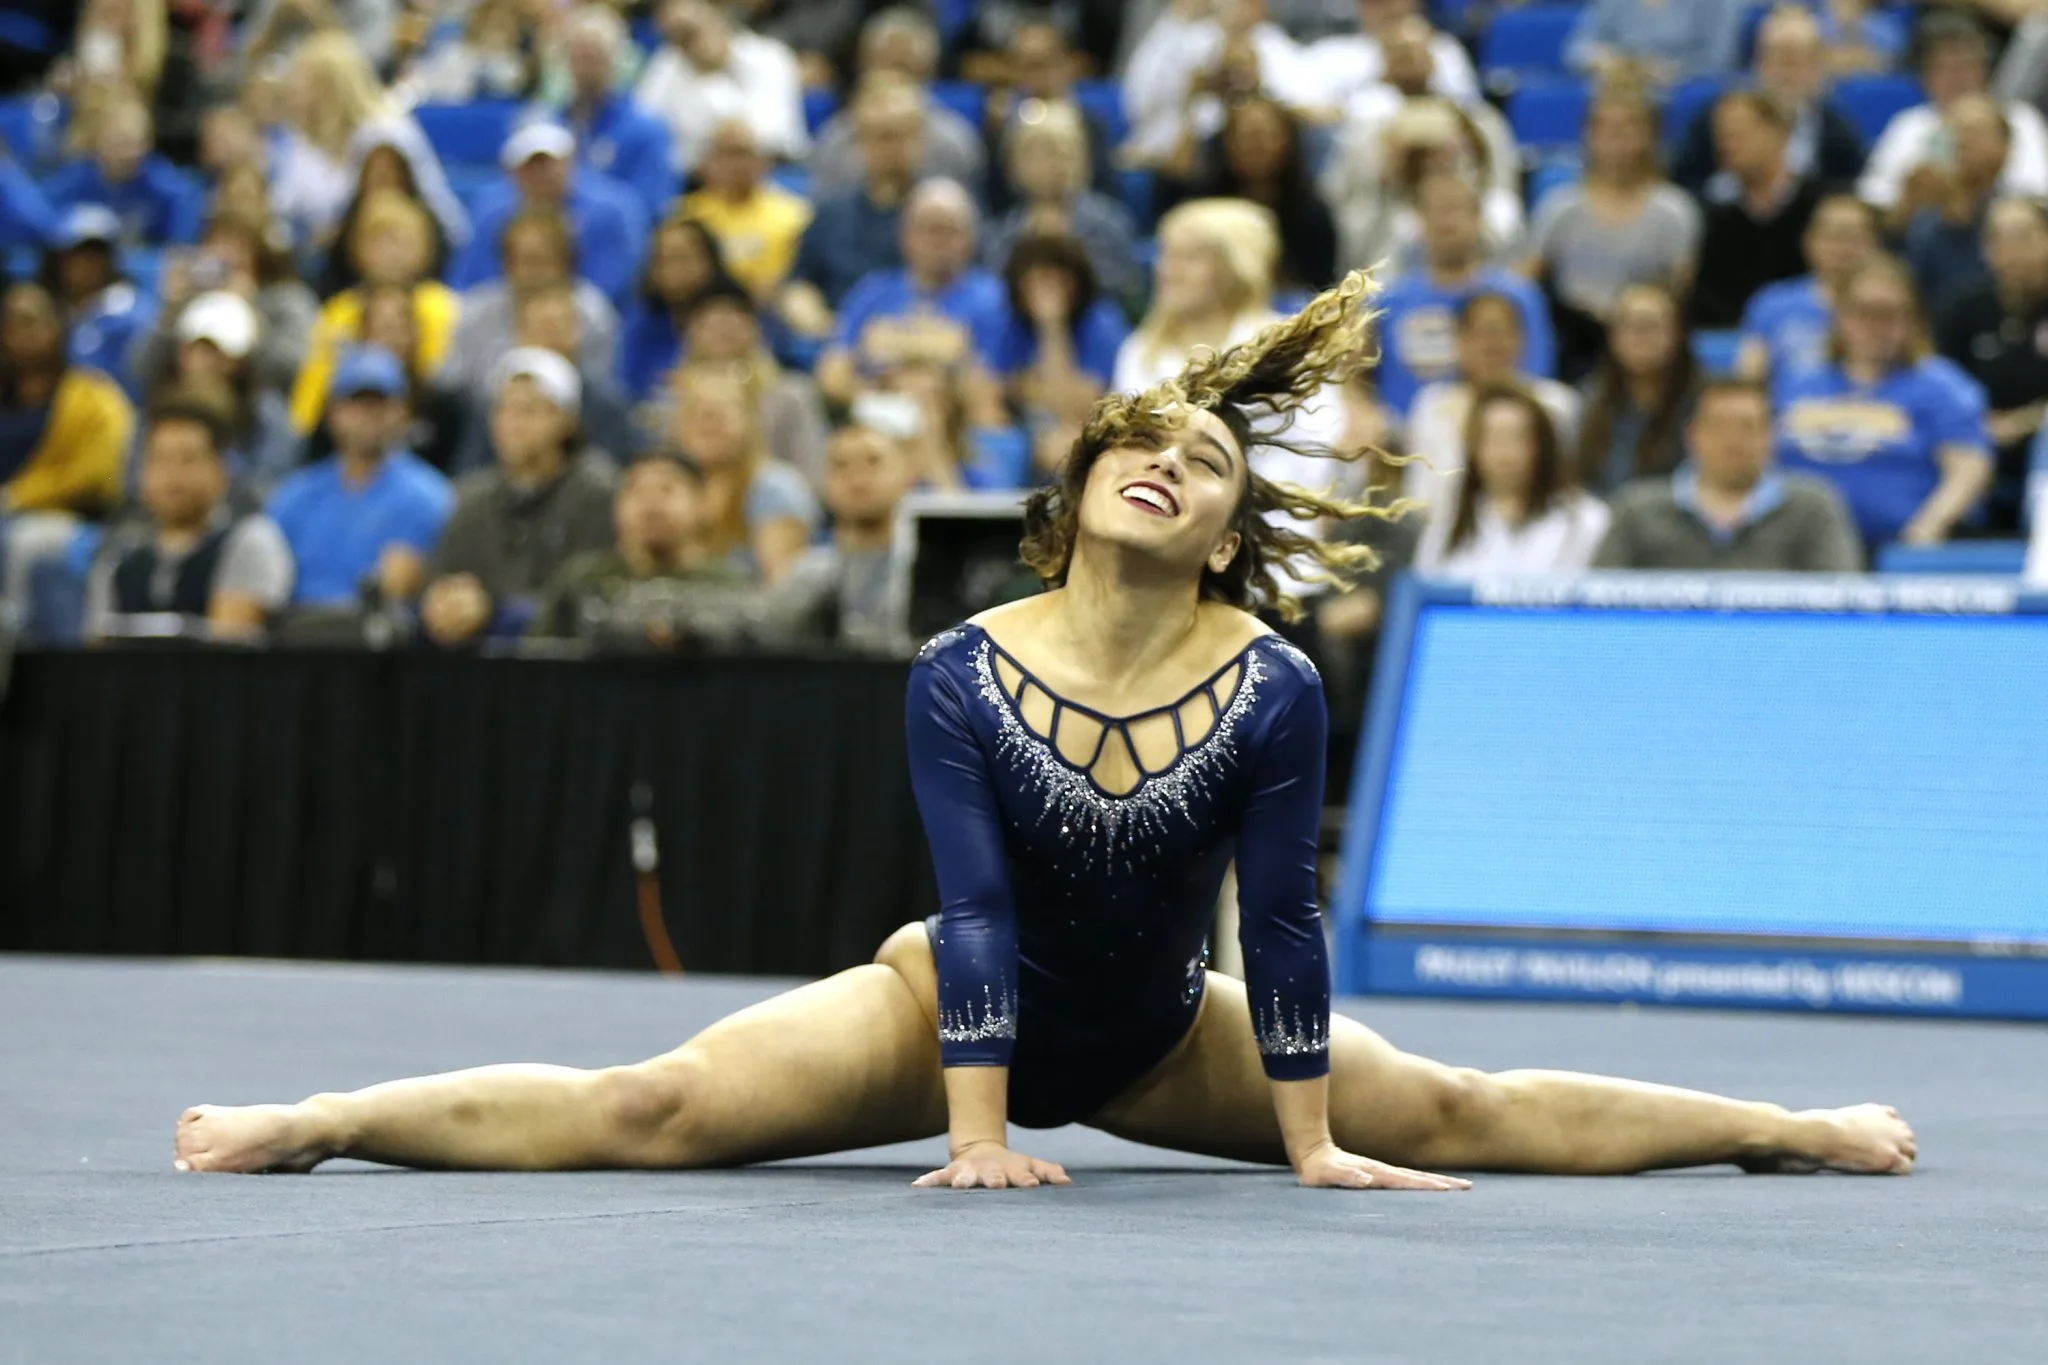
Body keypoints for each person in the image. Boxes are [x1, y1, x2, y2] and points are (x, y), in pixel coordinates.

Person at [173, 269, 1919, 1190]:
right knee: (651, 1104)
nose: (1168, 460)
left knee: (1447, 1107)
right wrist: (974, 1126)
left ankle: (1789, 1125)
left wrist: (1312, 1142)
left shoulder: (1272, 680)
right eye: (1137, 442)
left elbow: (1284, 917)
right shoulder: (962, 664)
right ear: (1078, 488)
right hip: (944, 1001)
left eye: (1209, 459)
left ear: (1228, 533)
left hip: (1166, 1030)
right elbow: (981, 902)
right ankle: (319, 1118)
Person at [1774, 257, 1994, 548]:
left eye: (1888, 314)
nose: (1875, 325)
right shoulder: (1798, 382)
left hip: (1897, 547)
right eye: (1862, 312)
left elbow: (1969, 469)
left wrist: (1927, 529)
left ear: (1911, 320)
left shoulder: (1942, 386)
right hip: (1796, 551)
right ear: (1840, 318)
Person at [419, 349, 617, 647]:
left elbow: (590, 603)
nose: (514, 423)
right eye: (504, 409)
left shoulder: (598, 493)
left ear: (567, 421)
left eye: (530, 410)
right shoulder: (470, 497)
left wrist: (493, 614)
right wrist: (443, 606)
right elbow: (445, 580)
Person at [1522, 83, 1701, 379]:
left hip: (1648, 341)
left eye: (1628, 127)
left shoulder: (1675, 212)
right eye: (1604, 126)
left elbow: (1680, 290)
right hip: (1575, 344)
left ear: (1650, 135)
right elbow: (1526, 282)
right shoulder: (1560, 207)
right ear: (1588, 134)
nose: (1616, 137)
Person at [1595, 376, 1863, 570]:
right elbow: (1598, 603)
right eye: (1719, 426)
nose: (1733, 439)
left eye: (1748, 426)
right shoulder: (1636, 508)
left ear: (1771, 436)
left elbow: (1841, 600)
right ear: (1692, 435)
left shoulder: (1813, 507)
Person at [84, 395, 296, 639]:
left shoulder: (249, 539)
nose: (172, 475)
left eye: (188, 459)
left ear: (220, 469)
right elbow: (99, 647)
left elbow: (229, 649)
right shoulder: (119, 553)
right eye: (160, 459)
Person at [267, 346, 455, 608]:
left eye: (380, 404)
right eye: (357, 404)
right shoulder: (295, 495)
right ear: (333, 412)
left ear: (402, 412)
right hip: (293, 633)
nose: (369, 415)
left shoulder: (432, 497)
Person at [1319, 40, 1521, 278]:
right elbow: (1340, 216)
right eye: (1400, 57)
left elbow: (1501, 192)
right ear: (1384, 67)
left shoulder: (1480, 122)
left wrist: (1453, 178)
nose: (1410, 65)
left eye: (1416, 54)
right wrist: (1389, 179)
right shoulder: (1367, 128)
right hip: (1390, 229)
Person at [1372, 173, 1555, 417]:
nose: (1445, 221)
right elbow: (1362, 382)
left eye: (1455, 208)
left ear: (1478, 217)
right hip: (1402, 439)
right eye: (1434, 210)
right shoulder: (1388, 301)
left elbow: (1535, 376)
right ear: (1419, 220)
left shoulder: (1519, 296)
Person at [816, 179, 1010, 409]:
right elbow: (832, 373)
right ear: (905, 235)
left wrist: (896, 347)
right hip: (876, 416)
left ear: (969, 238)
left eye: (949, 230)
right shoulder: (872, 291)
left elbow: (990, 385)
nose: (937, 241)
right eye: (928, 229)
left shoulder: (993, 299)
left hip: (954, 425)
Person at [526, 449, 750, 645]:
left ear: (702, 505)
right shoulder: (581, 581)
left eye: (667, 489)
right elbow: (536, 665)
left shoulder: (729, 586)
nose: (651, 505)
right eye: (637, 490)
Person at [288, 191, 461, 435]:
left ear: (423, 245)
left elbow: (440, 376)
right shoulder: (339, 310)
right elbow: (310, 398)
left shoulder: (442, 306)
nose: (389, 252)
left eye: (400, 240)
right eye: (377, 241)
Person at [1857, 12, 2048, 220]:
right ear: (1925, 76)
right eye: (1946, 68)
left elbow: (2036, 191)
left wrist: (1980, 180)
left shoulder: (2018, 118)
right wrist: (1911, 194)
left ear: (1985, 69)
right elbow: (1873, 198)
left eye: (1967, 65)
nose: (1958, 77)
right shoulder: (1909, 125)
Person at [1670, 7, 1869, 200]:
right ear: (1757, 62)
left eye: (1797, 60)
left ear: (1819, 66)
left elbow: (1848, 196)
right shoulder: (1716, 119)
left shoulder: (1837, 133)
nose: (1786, 74)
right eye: (1776, 57)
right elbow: (1684, 188)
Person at [1935, 197, 2048, 532]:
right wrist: (1976, 424)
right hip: (1973, 443)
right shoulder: (1962, 307)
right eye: (1998, 239)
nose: (2010, 251)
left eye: (2023, 237)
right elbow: (1936, 382)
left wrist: (2025, 421)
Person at [1406, 289, 1582, 502]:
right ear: (1460, 341)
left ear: (1521, 340)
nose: (1493, 344)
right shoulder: (1432, 406)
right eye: (1482, 332)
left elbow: (1564, 486)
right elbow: (1419, 494)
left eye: (1503, 332)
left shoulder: (1554, 403)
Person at [1415, 383, 1609, 574]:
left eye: (1517, 438)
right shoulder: (1446, 523)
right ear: (1473, 448)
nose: (1505, 452)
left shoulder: (1586, 520)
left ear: (1542, 445)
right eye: (1493, 438)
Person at [449, 125, 648, 310]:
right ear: (513, 174)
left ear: (570, 163)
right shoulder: (491, 212)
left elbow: (612, 286)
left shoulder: (612, 211)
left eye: (548, 164)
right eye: (530, 167)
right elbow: (468, 281)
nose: (541, 174)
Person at [1156, 95, 1336, 295]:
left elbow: (1321, 288)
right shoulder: (1203, 205)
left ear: (1288, 141)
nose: (1257, 146)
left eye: (1267, 136)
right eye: (1247, 137)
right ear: (1226, 143)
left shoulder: (1311, 212)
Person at [781, 77, 923, 329]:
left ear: (920, 139)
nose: (892, 148)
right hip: (842, 340)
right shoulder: (831, 214)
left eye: (902, 135)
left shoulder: (947, 213)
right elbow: (798, 285)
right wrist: (821, 323)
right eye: (881, 137)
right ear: (861, 142)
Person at [443, 208, 620, 406]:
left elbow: (600, 392)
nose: (532, 274)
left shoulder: (592, 315)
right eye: (521, 260)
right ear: (506, 264)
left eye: (540, 260)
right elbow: (451, 388)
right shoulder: (475, 312)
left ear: (566, 263)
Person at [667, 276, 830, 485]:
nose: (722, 328)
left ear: (754, 326)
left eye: (732, 317)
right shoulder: (670, 398)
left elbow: (812, 474)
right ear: (691, 331)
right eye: (710, 319)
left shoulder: (790, 395)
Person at [770, 423, 914, 653]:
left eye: (873, 462)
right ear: (825, 483)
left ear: (906, 475)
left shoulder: (926, 573)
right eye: (841, 466)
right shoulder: (807, 575)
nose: (857, 478)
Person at [807, 9, 982, 197]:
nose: (894, 78)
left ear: (928, 72)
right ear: (864, 65)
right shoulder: (835, 141)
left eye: (905, 67)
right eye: (885, 64)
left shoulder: (955, 144)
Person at [1121, 0, 1313, 171]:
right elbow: (1136, 105)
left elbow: (1314, 110)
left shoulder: (1272, 45)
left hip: (1260, 156)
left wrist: (1258, 87)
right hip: (1183, 155)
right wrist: (1195, 94)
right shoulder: (1184, 39)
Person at [669, 365, 818, 584]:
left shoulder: (776, 488)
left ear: (748, 423)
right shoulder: (671, 488)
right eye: (698, 414)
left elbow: (781, 589)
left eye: (721, 414)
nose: (709, 424)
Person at [0, 278, 134, 519]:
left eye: (29, 322)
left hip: (61, 516)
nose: (19, 333)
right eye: (9, 324)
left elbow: (98, 475)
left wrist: (17, 496)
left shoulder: (94, 395)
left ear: (58, 326)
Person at [1691, 92, 1826, 329]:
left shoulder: (1818, 207)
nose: (1727, 147)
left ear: (1779, 133)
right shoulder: (1718, 216)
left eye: (1739, 135)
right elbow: (1708, 297)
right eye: (1722, 137)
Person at [981, 100, 1139, 301]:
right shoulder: (999, 236)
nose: (1058, 164)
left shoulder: (1110, 225)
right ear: (1015, 164)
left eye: (1068, 153)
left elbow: (1124, 298)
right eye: (1045, 154)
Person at [636, 0, 807, 175]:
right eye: (678, 37)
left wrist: (712, 79)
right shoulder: (665, 66)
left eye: (693, 32)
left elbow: (773, 133)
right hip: (698, 179)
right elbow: (648, 134)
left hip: (774, 174)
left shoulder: (769, 56)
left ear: (717, 17)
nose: (691, 44)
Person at [155, 289, 301, 493]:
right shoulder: (159, 411)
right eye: (195, 350)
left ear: (242, 362)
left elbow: (271, 486)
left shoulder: (269, 417)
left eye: (217, 353)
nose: (204, 364)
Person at [545, 5, 676, 222]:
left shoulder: (646, 129)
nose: (586, 67)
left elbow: (654, 205)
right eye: (579, 56)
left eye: (595, 57)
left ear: (616, 59)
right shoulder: (550, 126)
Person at [992, 232, 1131, 435]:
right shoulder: (1008, 322)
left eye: (1057, 282)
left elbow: (1076, 407)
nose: (1047, 292)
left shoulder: (1102, 323)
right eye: (1038, 281)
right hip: (1022, 432)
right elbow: (994, 392)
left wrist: (1052, 327)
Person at [1735, 194, 1880, 386]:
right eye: (1834, 237)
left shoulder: (1887, 305)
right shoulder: (1772, 302)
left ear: (1875, 244)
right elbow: (1749, 379)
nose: (1843, 249)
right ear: (1809, 242)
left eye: (1854, 238)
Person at [981, 20, 1122, 217]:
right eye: (1026, 66)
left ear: (1066, 64)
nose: (1036, 75)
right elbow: (996, 200)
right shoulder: (1004, 125)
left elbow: (1105, 190)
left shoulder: (1090, 122)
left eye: (1043, 64)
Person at [1577, 284, 1702, 496]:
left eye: (1651, 326)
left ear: (1677, 334)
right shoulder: (1588, 399)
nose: (1639, 336)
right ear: (1612, 336)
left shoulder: (1704, 404)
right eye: (1628, 325)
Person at [37, 91, 202, 245]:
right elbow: (43, 216)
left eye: (138, 144)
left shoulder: (161, 180)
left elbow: (182, 235)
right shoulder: (75, 179)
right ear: (98, 142)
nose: (130, 153)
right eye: (121, 143)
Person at [679, 119, 813, 304]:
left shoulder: (796, 214)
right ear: (707, 162)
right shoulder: (686, 216)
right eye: (726, 154)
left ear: (764, 161)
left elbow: (801, 277)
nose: (737, 164)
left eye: (745, 154)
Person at [1900, 95, 2012, 308]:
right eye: (1954, 132)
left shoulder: (2022, 213)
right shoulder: (1923, 216)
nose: (1962, 141)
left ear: (2005, 146)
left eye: (1975, 132)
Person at [41, 204, 156, 397]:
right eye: (74, 256)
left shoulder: (135, 312)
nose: (83, 265)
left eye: (94, 257)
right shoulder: (53, 309)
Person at [623, 217, 730, 402]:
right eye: (661, 260)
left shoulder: (734, 319)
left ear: (709, 260)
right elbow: (628, 390)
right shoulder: (641, 326)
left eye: (682, 257)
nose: (672, 270)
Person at [1304, 0, 1481, 112]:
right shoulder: (1330, 52)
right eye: (1375, 2)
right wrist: (1383, 78)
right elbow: (1313, 111)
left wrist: (1423, 83)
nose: (1388, 8)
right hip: (1358, 144)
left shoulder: (1443, 49)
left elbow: (1470, 107)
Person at [1566, 0, 1750, 87]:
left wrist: (1670, 70)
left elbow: (1720, 59)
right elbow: (1576, 49)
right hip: (1620, 86)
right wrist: (1603, 60)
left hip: (1683, 88)